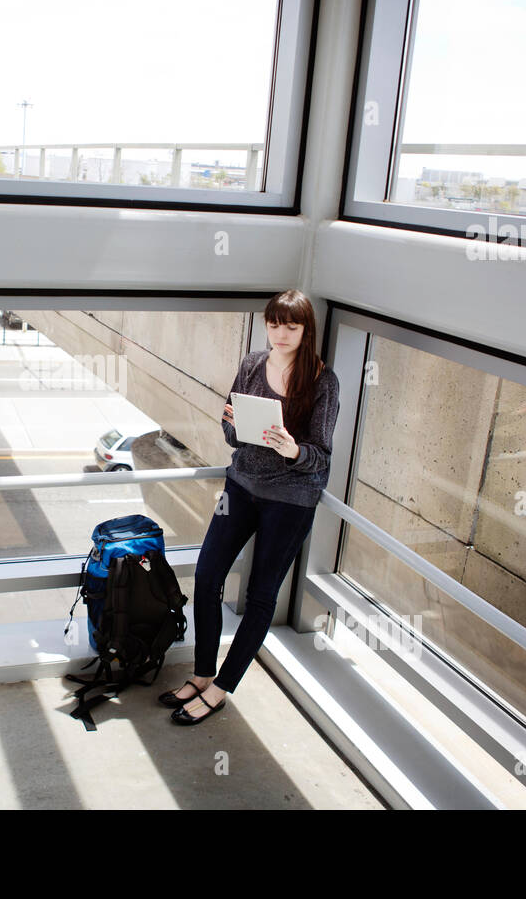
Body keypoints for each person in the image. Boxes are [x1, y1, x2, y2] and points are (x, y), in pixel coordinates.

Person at [161, 289, 340, 726]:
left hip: (290, 500)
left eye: (291, 326)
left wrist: (294, 449)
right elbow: (230, 427)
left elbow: (321, 456)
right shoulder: (251, 364)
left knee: (261, 595)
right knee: (206, 574)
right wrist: (234, 425)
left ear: (306, 330)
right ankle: (203, 673)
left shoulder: (322, 381)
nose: (281, 333)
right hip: (241, 485)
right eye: (274, 324)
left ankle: (222, 687)